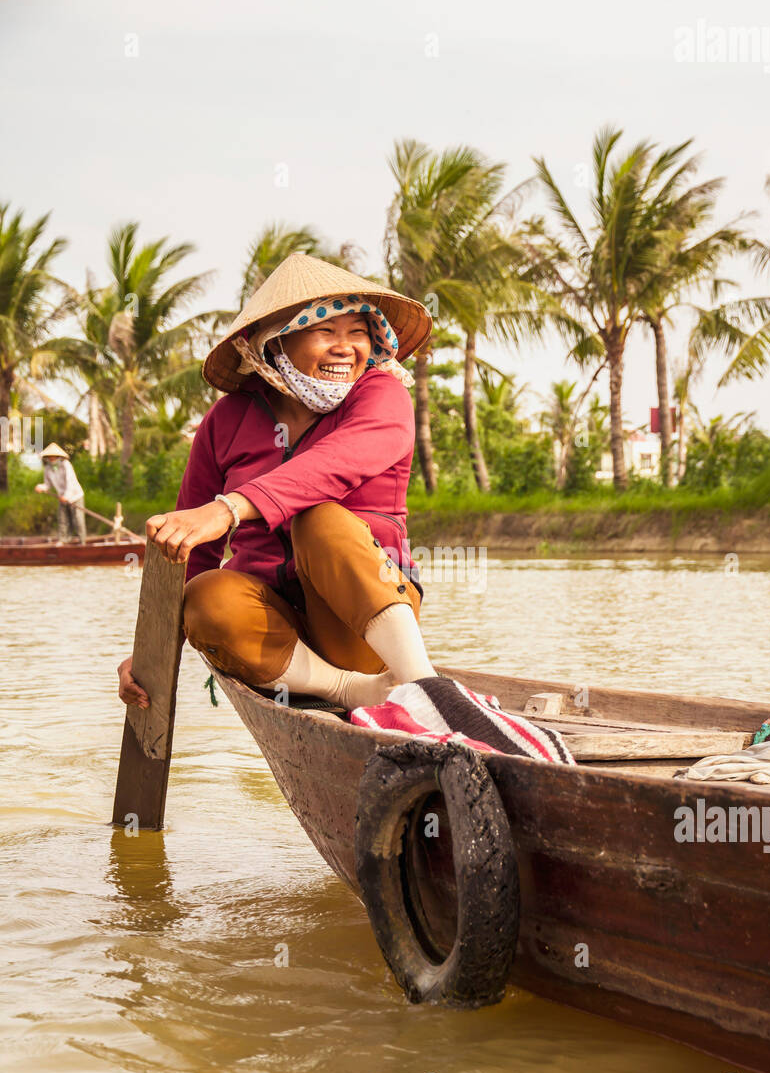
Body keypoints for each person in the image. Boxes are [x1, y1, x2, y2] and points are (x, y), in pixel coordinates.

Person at [116, 254, 573, 761]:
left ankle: (423, 688)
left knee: (318, 516)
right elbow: (190, 550)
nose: (346, 347)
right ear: (274, 343)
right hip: (275, 641)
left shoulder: (380, 395)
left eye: (358, 331)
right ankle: (352, 692)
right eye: (323, 330)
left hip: (361, 625)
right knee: (206, 594)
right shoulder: (226, 420)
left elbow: (333, 466)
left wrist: (229, 508)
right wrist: (153, 652)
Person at [35, 443, 87, 543]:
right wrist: (41, 487)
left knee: (78, 519)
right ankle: (64, 540)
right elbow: (47, 484)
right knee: (63, 519)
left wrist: (66, 496)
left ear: (58, 456)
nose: (51, 458)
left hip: (75, 496)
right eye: (49, 457)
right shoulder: (47, 469)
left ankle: (82, 541)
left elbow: (70, 482)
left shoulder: (66, 465)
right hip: (62, 497)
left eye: (53, 456)